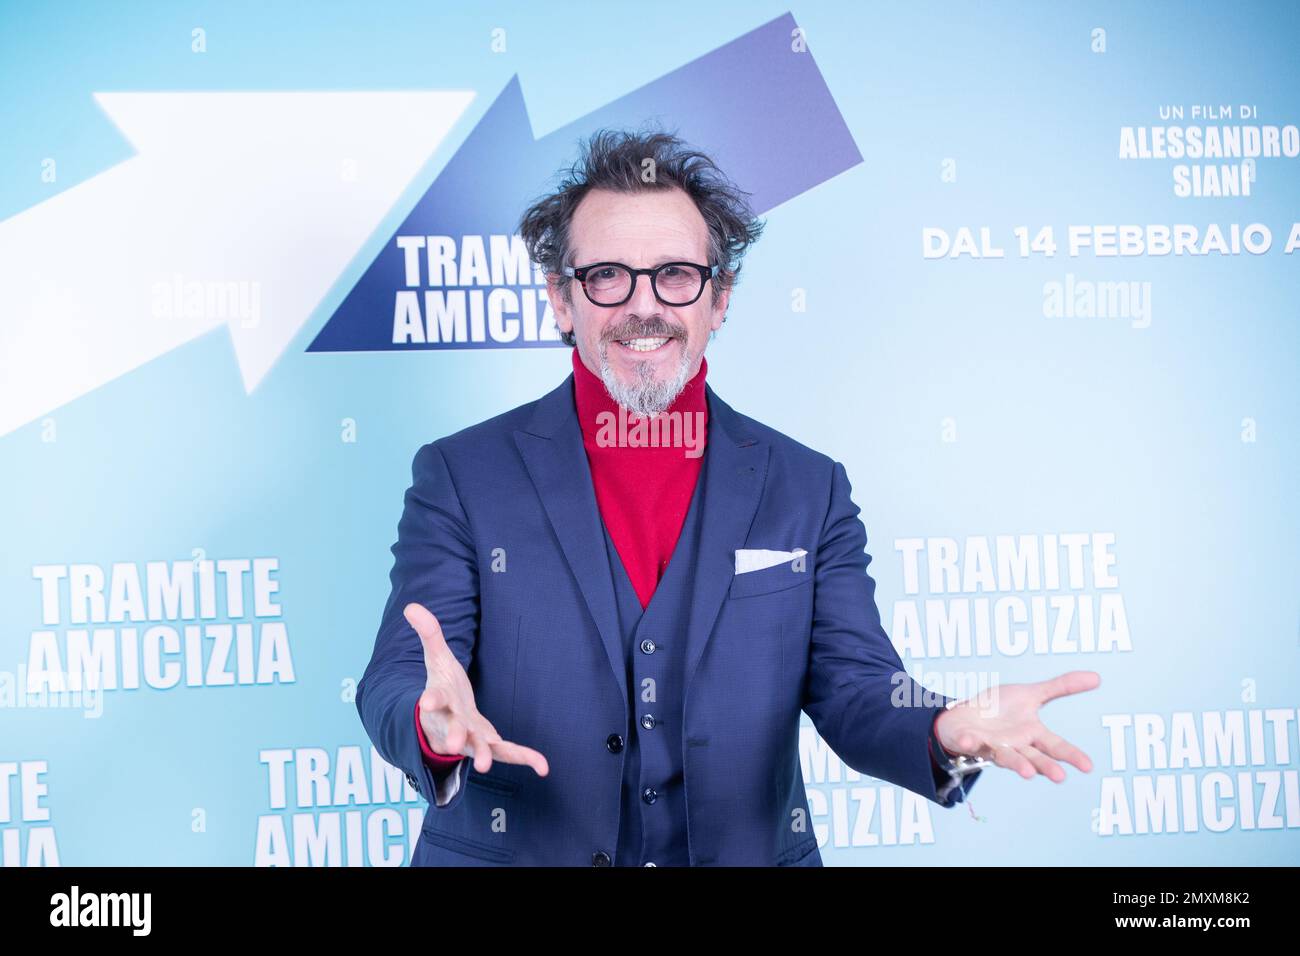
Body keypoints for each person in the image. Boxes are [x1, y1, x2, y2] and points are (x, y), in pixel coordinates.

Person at [355, 127, 1100, 866]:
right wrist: (429, 725)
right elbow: (400, 675)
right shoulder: (462, 474)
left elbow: (855, 689)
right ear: (561, 299)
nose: (644, 306)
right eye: (608, 276)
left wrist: (941, 732)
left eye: (676, 274)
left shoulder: (808, 488)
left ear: (719, 299)